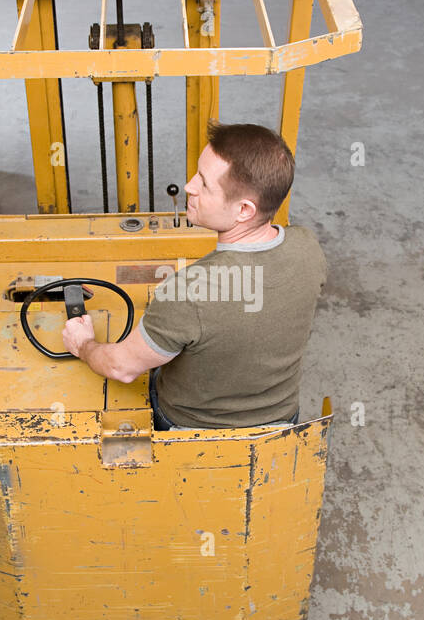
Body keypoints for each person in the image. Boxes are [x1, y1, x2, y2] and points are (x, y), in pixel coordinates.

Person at [62, 121, 327, 430]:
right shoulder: (308, 246)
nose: (189, 186)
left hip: (192, 428)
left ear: (244, 210)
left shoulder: (189, 292)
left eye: (203, 183)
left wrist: (84, 345)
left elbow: (121, 368)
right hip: (282, 420)